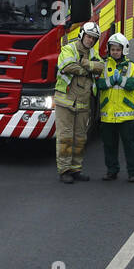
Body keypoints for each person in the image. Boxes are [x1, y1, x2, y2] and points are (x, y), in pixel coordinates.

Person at [54, 21, 104, 183]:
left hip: (83, 103)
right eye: (89, 37)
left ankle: (76, 169)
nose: (90, 40)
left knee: (80, 138)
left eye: (94, 38)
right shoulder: (69, 48)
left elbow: (101, 66)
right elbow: (67, 66)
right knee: (65, 137)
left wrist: (86, 64)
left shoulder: (92, 53)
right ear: (82, 35)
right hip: (65, 102)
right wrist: (87, 69)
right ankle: (64, 170)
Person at [95, 33, 134, 182]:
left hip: (126, 115)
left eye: (117, 49)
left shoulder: (133, 66)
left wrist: (120, 80)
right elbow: (98, 84)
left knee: (130, 146)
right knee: (109, 146)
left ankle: (133, 173)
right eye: (112, 49)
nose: (115, 52)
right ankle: (111, 171)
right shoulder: (103, 65)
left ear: (124, 50)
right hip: (108, 114)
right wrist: (111, 82)